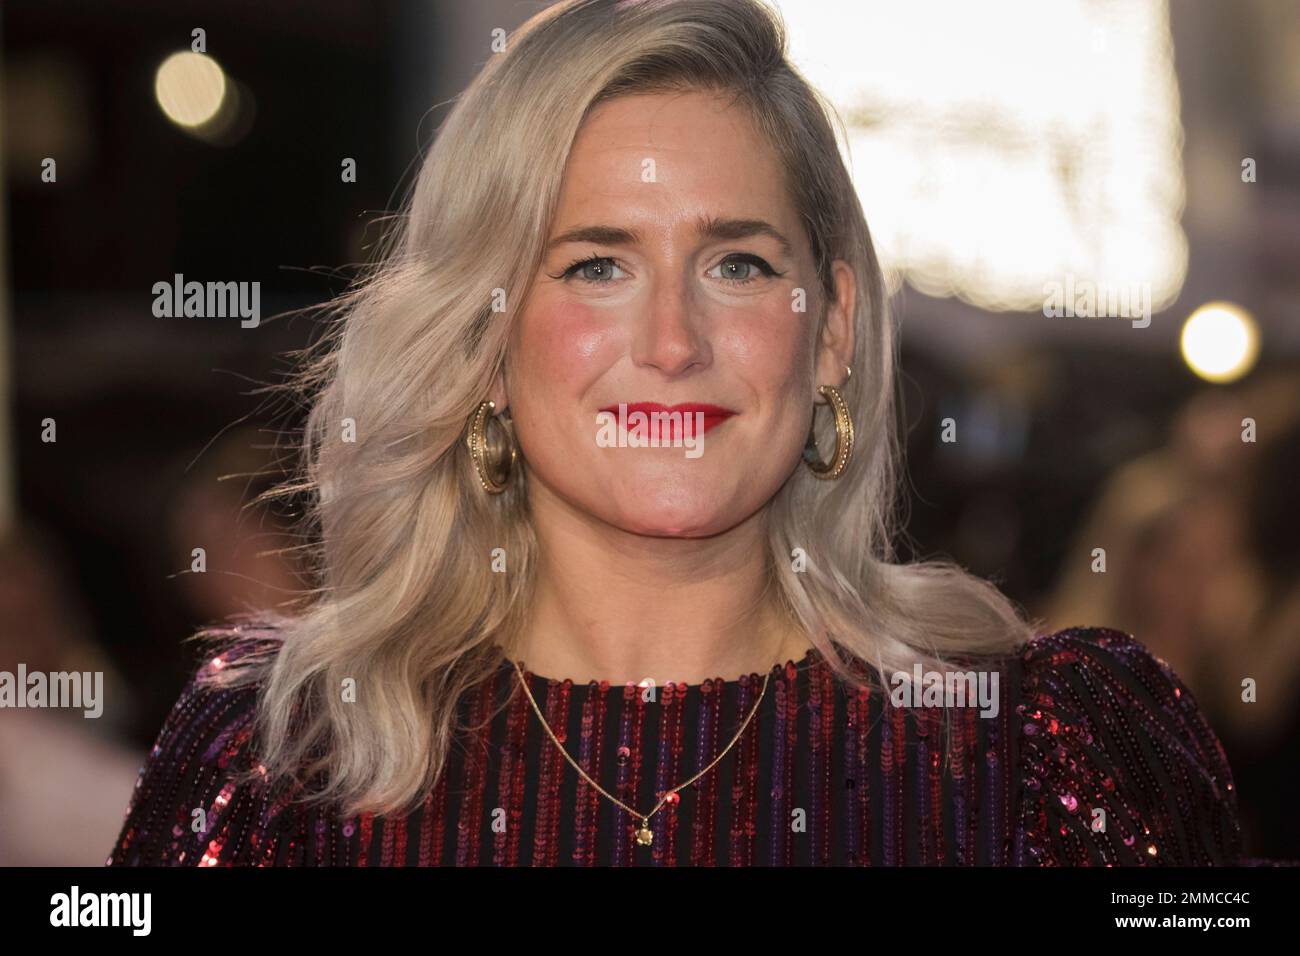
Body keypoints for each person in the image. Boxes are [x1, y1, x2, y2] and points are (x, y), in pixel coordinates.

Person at [107, 0, 1241, 867]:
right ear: (485, 335)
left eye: (735, 263)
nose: (671, 340)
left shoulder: (1043, 749)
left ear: (832, 328)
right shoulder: (276, 768)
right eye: (597, 263)